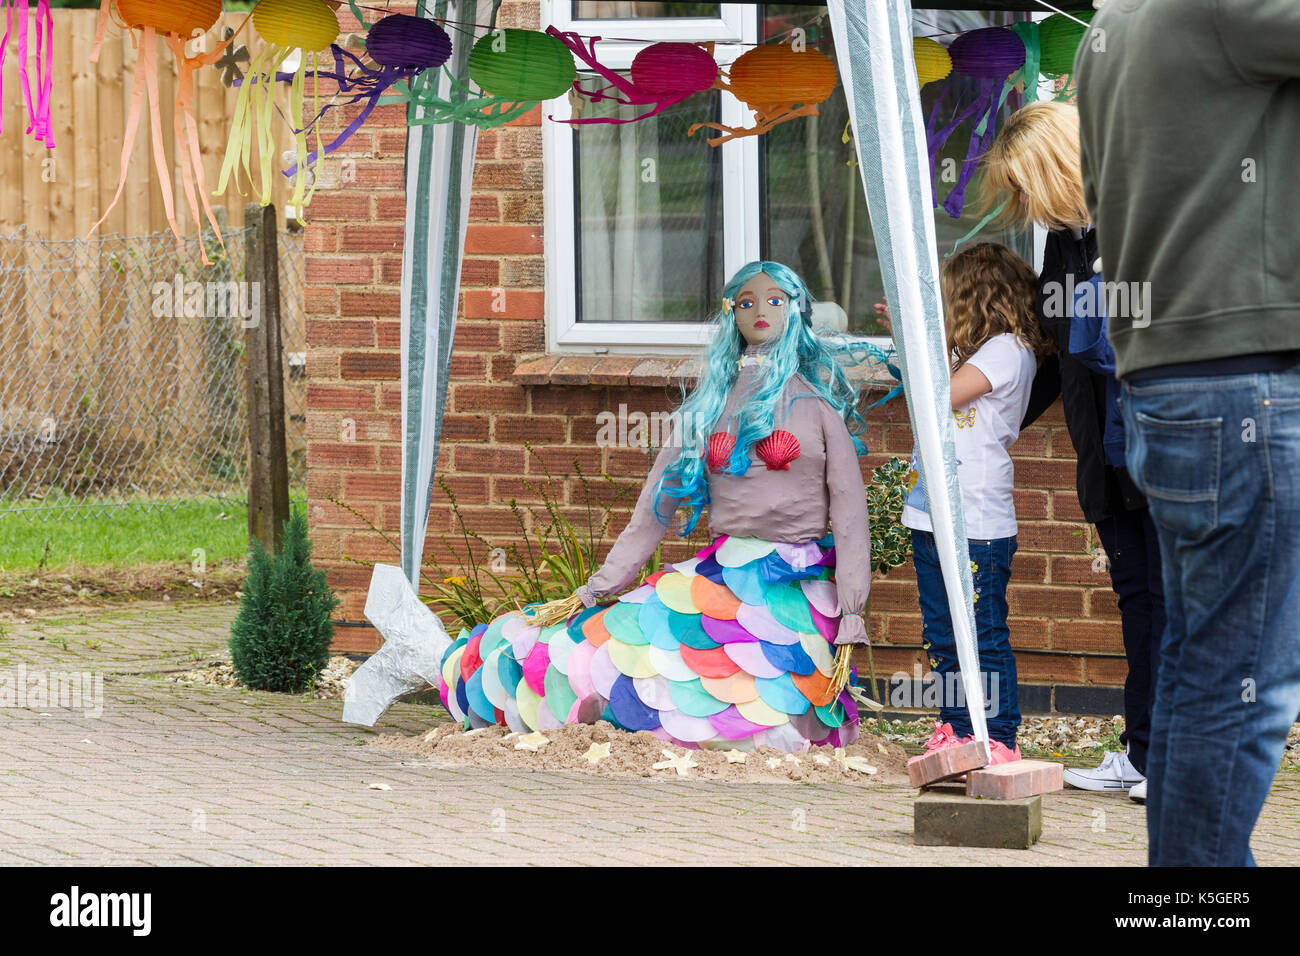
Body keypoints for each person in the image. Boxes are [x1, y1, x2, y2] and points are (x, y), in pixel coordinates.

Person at [436, 262, 874, 752]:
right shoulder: (708, 409)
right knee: (601, 663)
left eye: (774, 300)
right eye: (745, 302)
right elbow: (653, 509)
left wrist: (852, 611)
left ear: (795, 310)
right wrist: (599, 587)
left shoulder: (817, 410)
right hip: (718, 584)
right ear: (732, 315)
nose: (760, 312)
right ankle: (474, 669)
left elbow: (853, 521)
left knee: (770, 715)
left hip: (793, 591)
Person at [1076, 0, 1300, 866]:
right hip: (1244, 382)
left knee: (1200, 673)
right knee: (1247, 690)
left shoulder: (1113, 28)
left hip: (1175, 385)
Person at [980, 101, 1164, 800]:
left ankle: (1172, 758)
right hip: (1105, 456)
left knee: (1174, 601)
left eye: (1026, 184)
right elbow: (1058, 357)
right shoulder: (1065, 244)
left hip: (1159, 444)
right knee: (1139, 599)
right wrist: (993, 426)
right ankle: (1144, 752)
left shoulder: (1143, 219)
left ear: (1059, 167)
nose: (1024, 204)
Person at [900, 242, 1051, 766]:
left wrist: (929, 337)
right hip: (931, 514)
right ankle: (959, 730)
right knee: (943, 634)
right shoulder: (974, 350)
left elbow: (934, 396)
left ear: (973, 297)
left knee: (982, 633)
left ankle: (999, 738)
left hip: (976, 523)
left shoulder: (1008, 350)